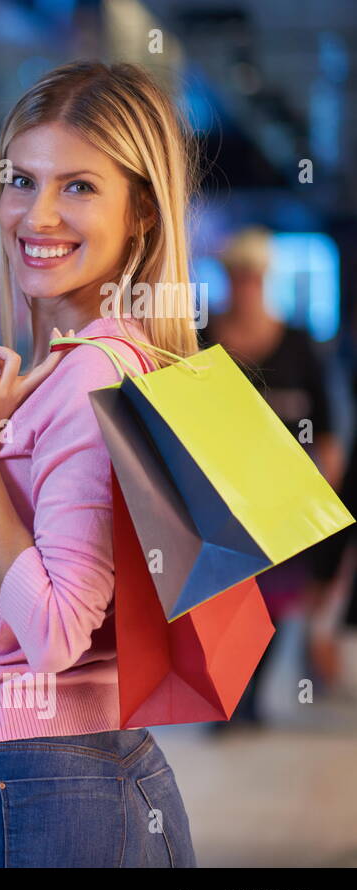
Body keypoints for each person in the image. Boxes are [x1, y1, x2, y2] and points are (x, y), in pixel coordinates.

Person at [0, 61, 199, 867]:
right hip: (72, 787)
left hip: (22, 787)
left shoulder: (91, 375)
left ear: (142, 212)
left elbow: (57, 630)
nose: (38, 214)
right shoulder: (91, 366)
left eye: (78, 187)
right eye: (20, 180)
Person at [200, 226, 345, 725]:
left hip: (283, 496)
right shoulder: (202, 340)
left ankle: (250, 699)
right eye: (236, 276)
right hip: (219, 495)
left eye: (253, 276)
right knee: (225, 603)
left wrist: (323, 500)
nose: (245, 286)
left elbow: (325, 425)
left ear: (265, 278)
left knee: (273, 601)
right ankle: (231, 696)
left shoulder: (298, 344)